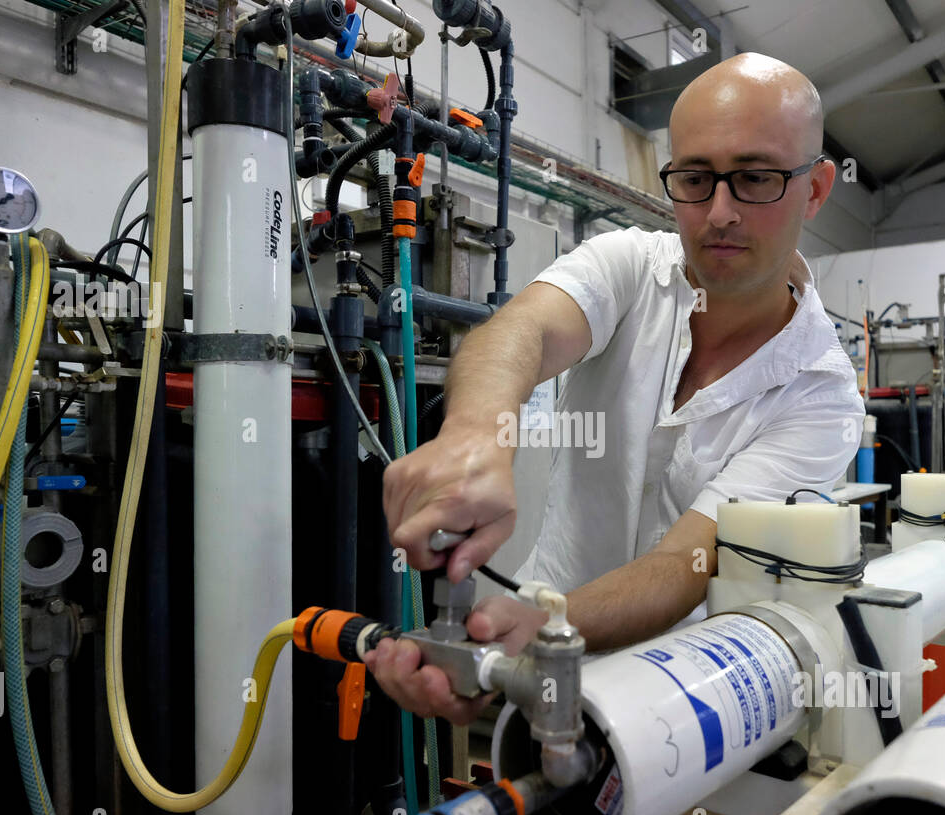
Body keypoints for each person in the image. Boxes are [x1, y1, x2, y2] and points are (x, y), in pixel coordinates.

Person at [368, 53, 864, 723]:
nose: (719, 213)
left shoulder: (821, 396)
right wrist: (473, 439)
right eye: (694, 178)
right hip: (540, 663)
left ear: (816, 188)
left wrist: (546, 629)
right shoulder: (631, 264)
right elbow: (524, 331)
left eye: (754, 178)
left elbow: (682, 565)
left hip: (694, 704)